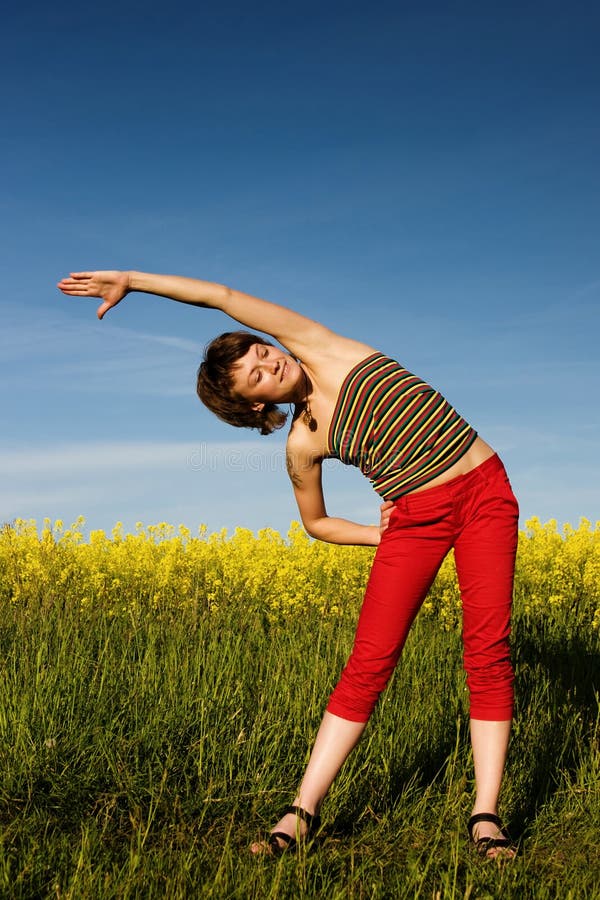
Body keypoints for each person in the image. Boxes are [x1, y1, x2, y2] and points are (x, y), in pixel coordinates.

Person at [58, 269, 519, 859]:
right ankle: (301, 813)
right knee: (369, 662)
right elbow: (316, 523)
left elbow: (221, 298)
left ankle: (486, 816)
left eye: (259, 351)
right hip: (414, 521)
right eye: (254, 375)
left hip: (485, 492)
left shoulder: (322, 349)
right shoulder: (302, 442)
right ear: (255, 404)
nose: (266, 362)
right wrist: (380, 538)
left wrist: (133, 281)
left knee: (488, 647)